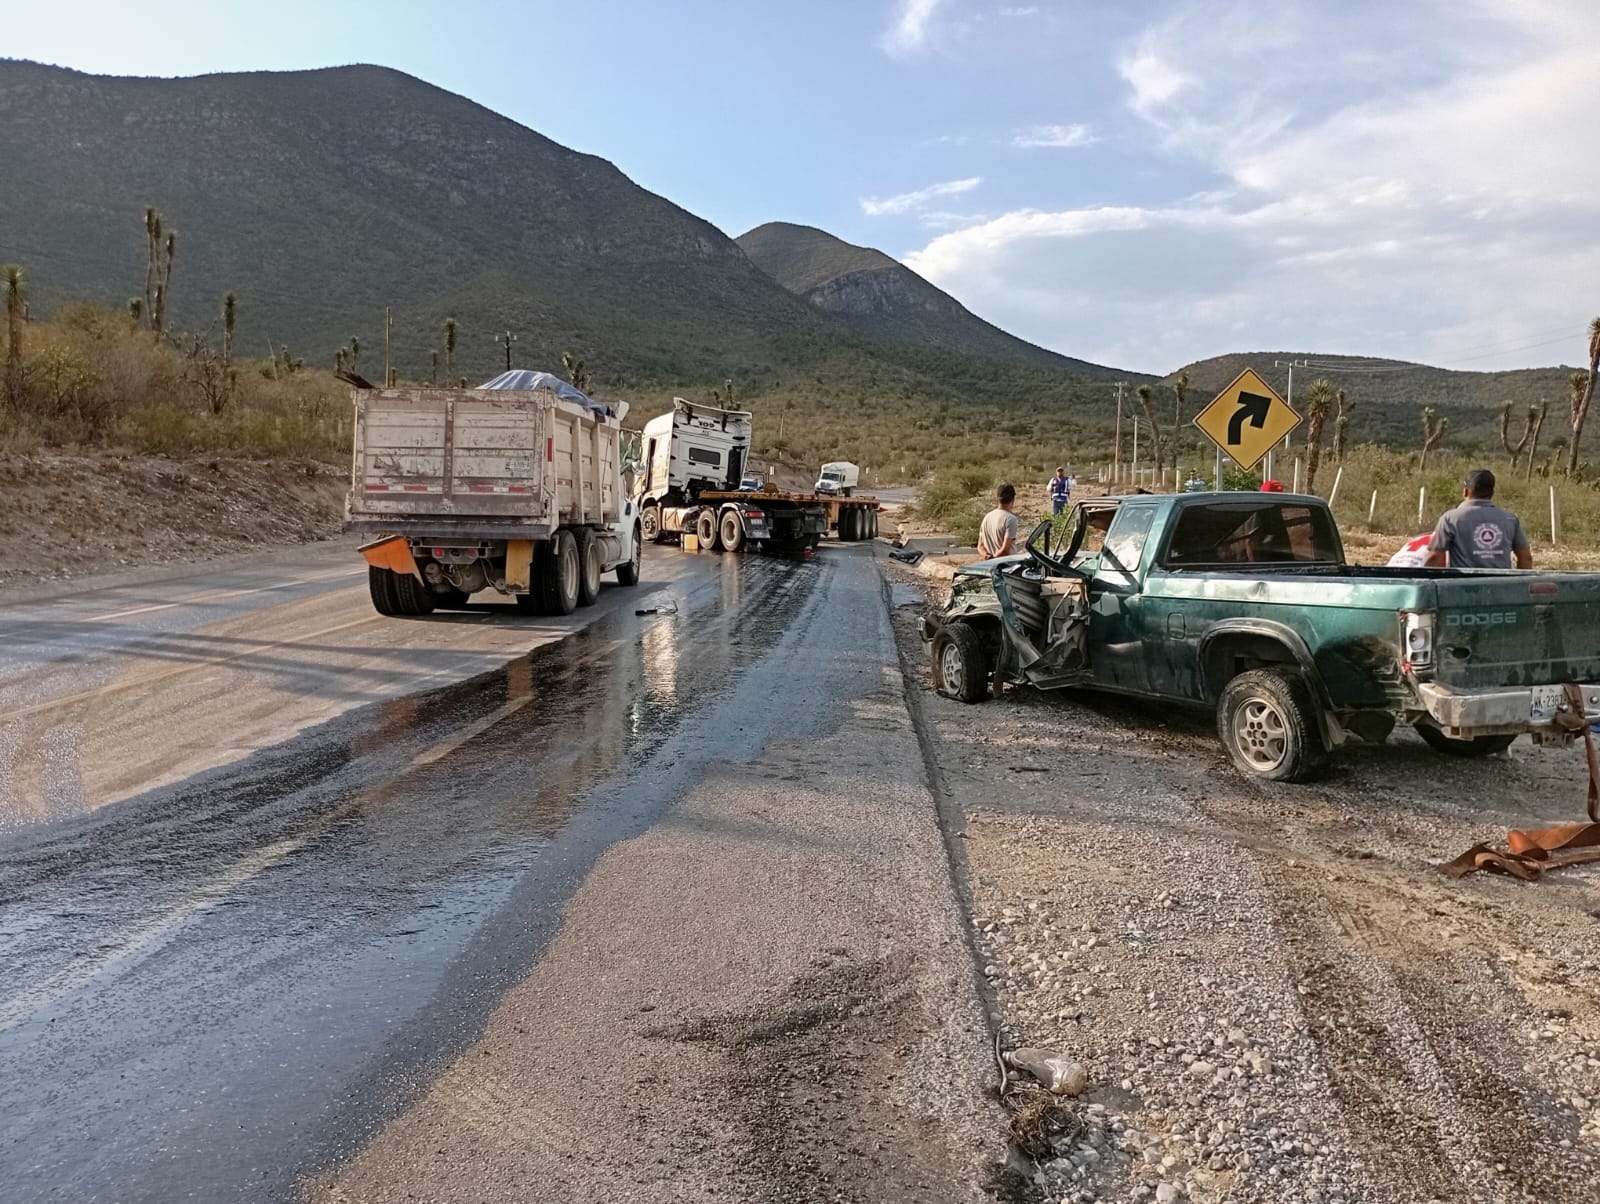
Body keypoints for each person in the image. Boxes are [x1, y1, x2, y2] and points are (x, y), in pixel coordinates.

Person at [1424, 468, 1533, 569]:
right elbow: (1526, 558)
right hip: (1500, 586)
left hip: (1461, 587)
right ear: (1492, 493)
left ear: (1465, 491)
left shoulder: (1450, 519)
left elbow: (1435, 557)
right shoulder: (1510, 519)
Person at [978, 483, 1020, 559]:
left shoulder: (987, 517)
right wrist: (994, 558)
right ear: (1013, 499)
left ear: (997, 498)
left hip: (990, 566)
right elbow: (1005, 551)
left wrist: (987, 556)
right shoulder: (1011, 519)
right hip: (1007, 565)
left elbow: (980, 546)